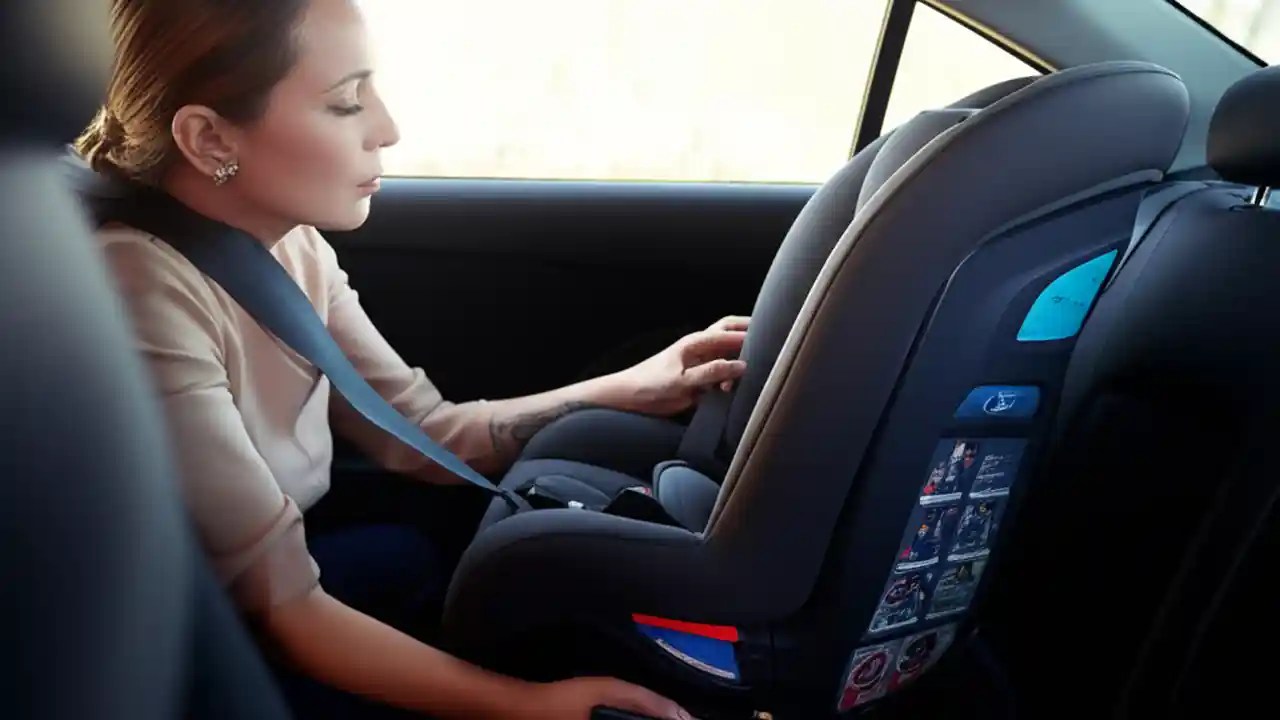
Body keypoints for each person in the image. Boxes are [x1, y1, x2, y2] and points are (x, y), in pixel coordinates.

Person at [77, 1, 750, 718]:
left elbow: (422, 434)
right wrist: (529, 706)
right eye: (345, 103)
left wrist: (632, 387)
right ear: (209, 138)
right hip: (206, 648)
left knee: (417, 557)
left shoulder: (291, 248)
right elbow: (283, 609)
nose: (388, 129)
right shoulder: (142, 287)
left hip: (293, 578)